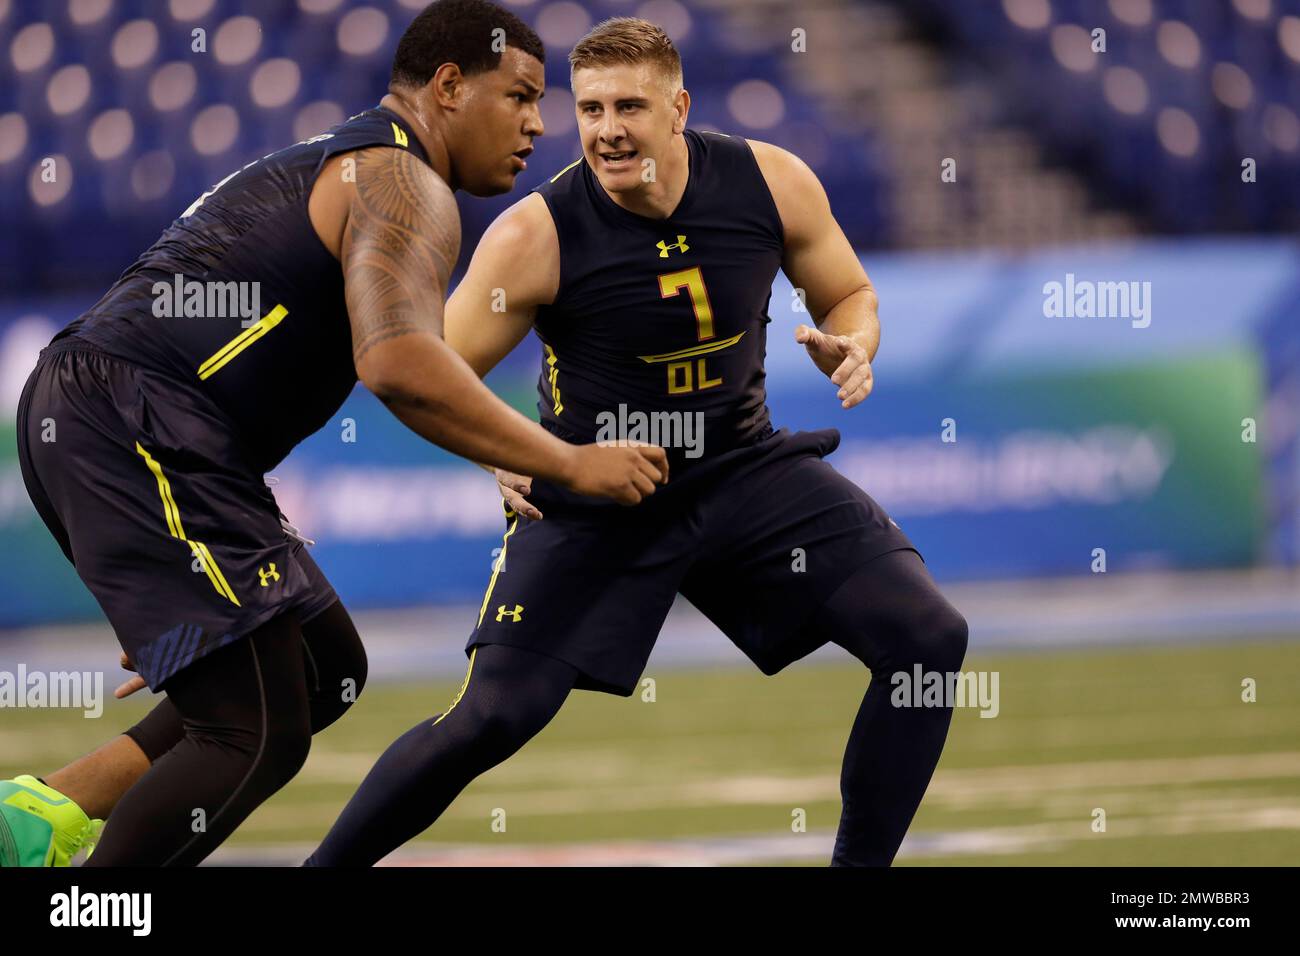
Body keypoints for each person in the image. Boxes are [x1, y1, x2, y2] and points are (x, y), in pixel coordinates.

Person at [1, 0, 666, 868]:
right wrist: (567, 460)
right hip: (133, 423)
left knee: (325, 665)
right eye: (521, 96)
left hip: (123, 418)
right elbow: (399, 365)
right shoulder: (404, 183)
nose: (540, 124)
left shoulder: (354, 160)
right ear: (450, 86)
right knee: (251, 732)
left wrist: (156, 568)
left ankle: (44, 814)